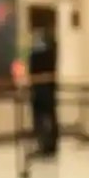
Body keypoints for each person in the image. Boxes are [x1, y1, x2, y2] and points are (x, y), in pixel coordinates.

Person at [28, 28, 58, 158]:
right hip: (42, 90)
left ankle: (48, 145)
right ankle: (44, 144)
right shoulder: (45, 53)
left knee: (45, 118)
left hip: (43, 91)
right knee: (42, 118)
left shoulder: (43, 54)